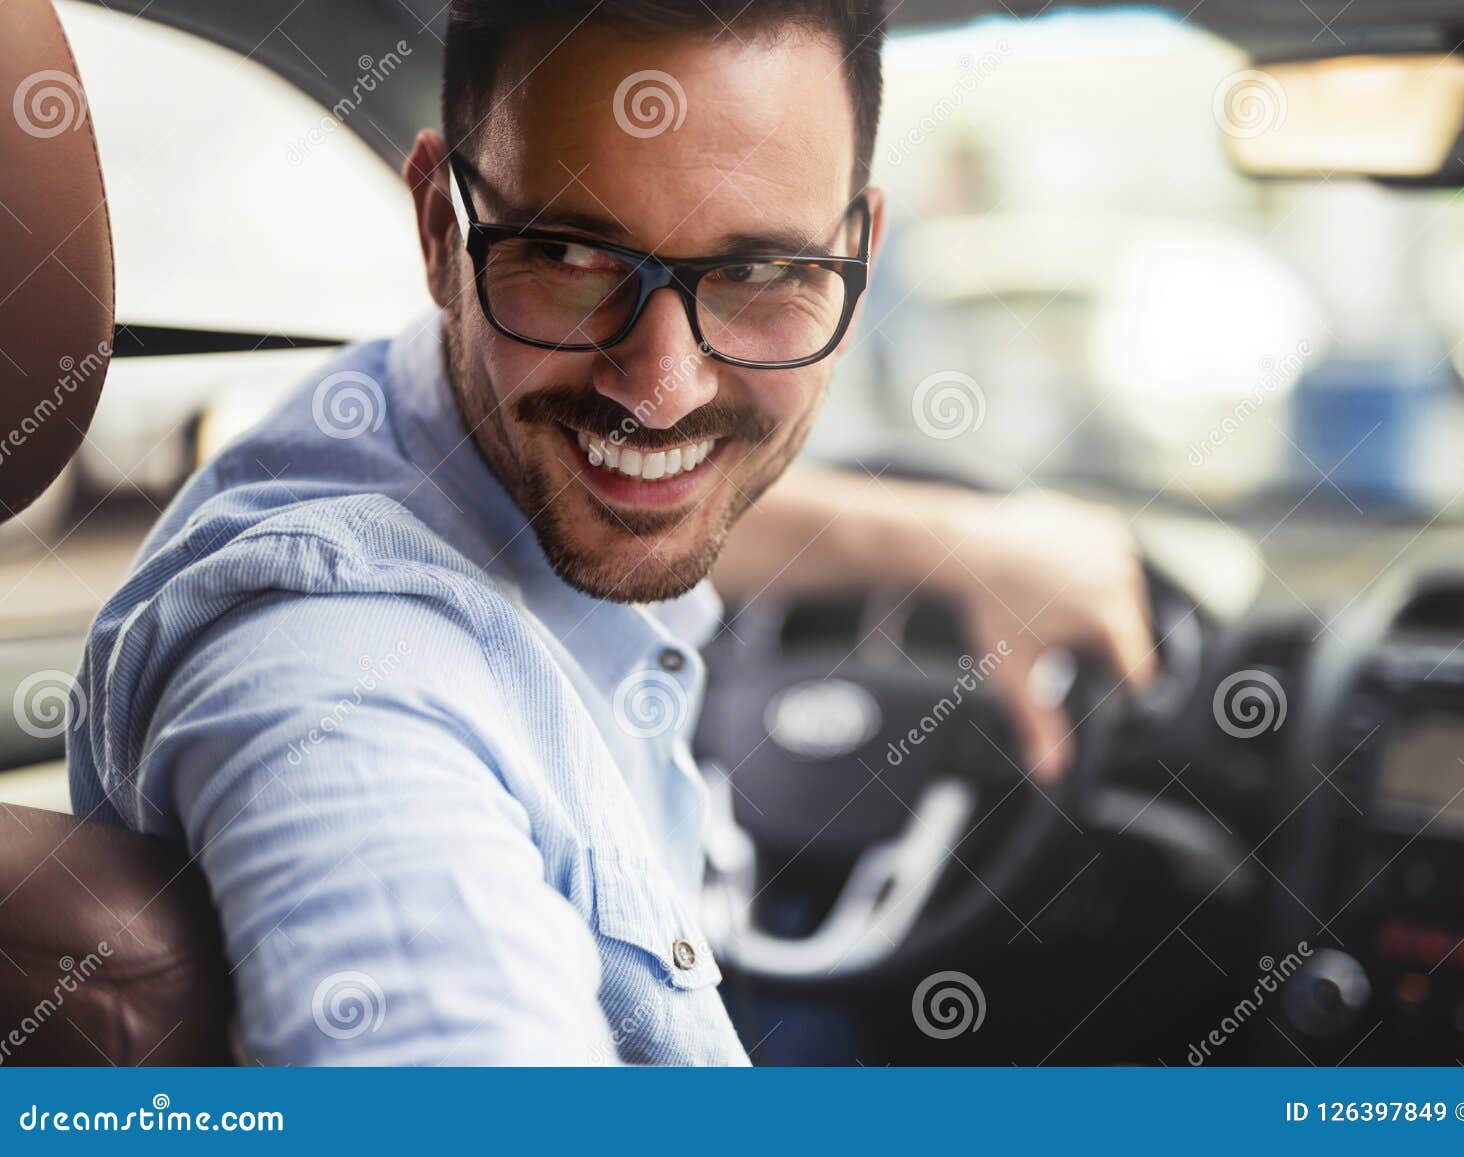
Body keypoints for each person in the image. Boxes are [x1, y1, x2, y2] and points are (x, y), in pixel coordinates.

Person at [67, 0, 1154, 1065]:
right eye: (573, 258)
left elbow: (642, 498)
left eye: (759, 272)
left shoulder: (442, 426)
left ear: (856, 251)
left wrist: (959, 545)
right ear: (440, 231)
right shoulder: (333, 668)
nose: (662, 391)